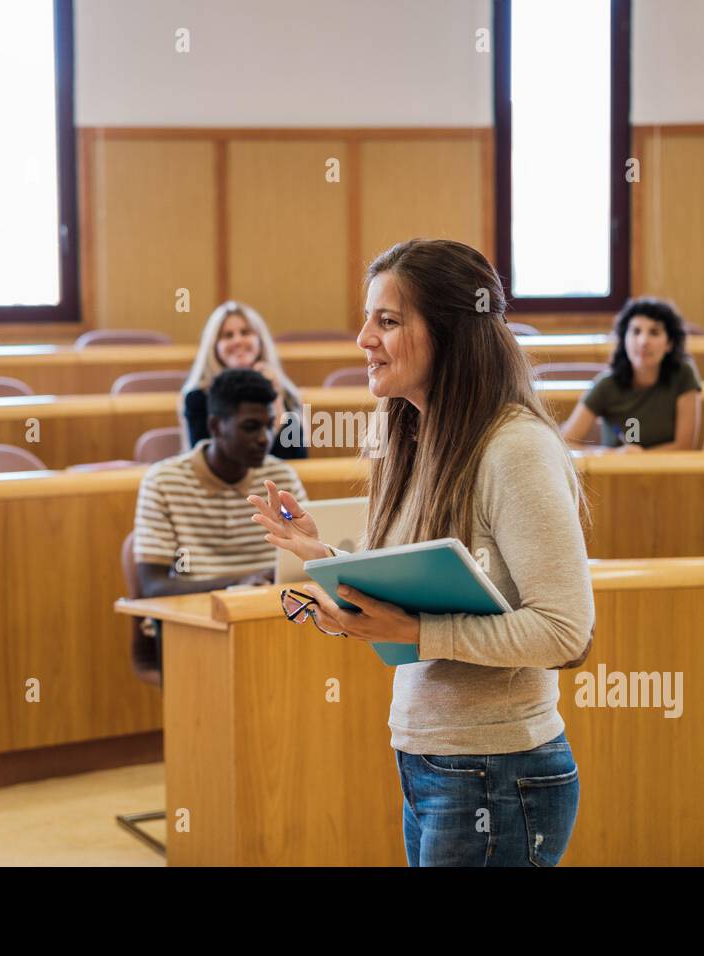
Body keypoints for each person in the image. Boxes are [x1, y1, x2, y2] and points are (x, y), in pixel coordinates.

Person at [250, 239, 595, 867]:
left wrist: (417, 629)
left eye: (387, 320)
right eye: (368, 319)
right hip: (432, 759)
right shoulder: (412, 435)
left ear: (450, 334)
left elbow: (565, 632)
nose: (362, 339)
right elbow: (423, 583)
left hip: (498, 768)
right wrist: (327, 562)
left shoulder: (514, 450)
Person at [135, 368, 309, 601]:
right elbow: (153, 586)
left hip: (272, 608)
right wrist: (237, 583)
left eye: (269, 425)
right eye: (250, 427)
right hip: (196, 615)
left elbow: (307, 557)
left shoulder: (282, 477)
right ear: (216, 426)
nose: (264, 438)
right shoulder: (163, 482)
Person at [559, 298, 702, 451]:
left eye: (654, 332)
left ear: (669, 343)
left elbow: (684, 446)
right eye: (635, 331)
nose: (643, 341)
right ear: (624, 339)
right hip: (613, 473)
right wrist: (614, 455)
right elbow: (565, 444)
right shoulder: (606, 384)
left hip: (669, 473)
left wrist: (641, 459)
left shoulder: (683, 374)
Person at [179, 301, 307, 459]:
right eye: (228, 335)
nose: (237, 341)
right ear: (214, 346)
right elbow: (206, 459)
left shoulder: (284, 392)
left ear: (260, 340)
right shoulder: (198, 397)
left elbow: (296, 458)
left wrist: (275, 401)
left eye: (245, 332)